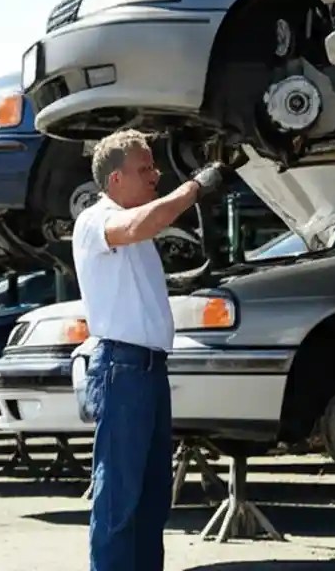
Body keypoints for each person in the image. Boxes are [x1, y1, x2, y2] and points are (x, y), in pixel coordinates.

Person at [71, 129, 226, 571]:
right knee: (120, 498)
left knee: (151, 498)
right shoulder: (96, 220)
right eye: (145, 169)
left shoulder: (133, 229)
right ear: (115, 179)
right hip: (123, 368)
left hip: (147, 368)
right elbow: (141, 224)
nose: (155, 175)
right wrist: (194, 188)